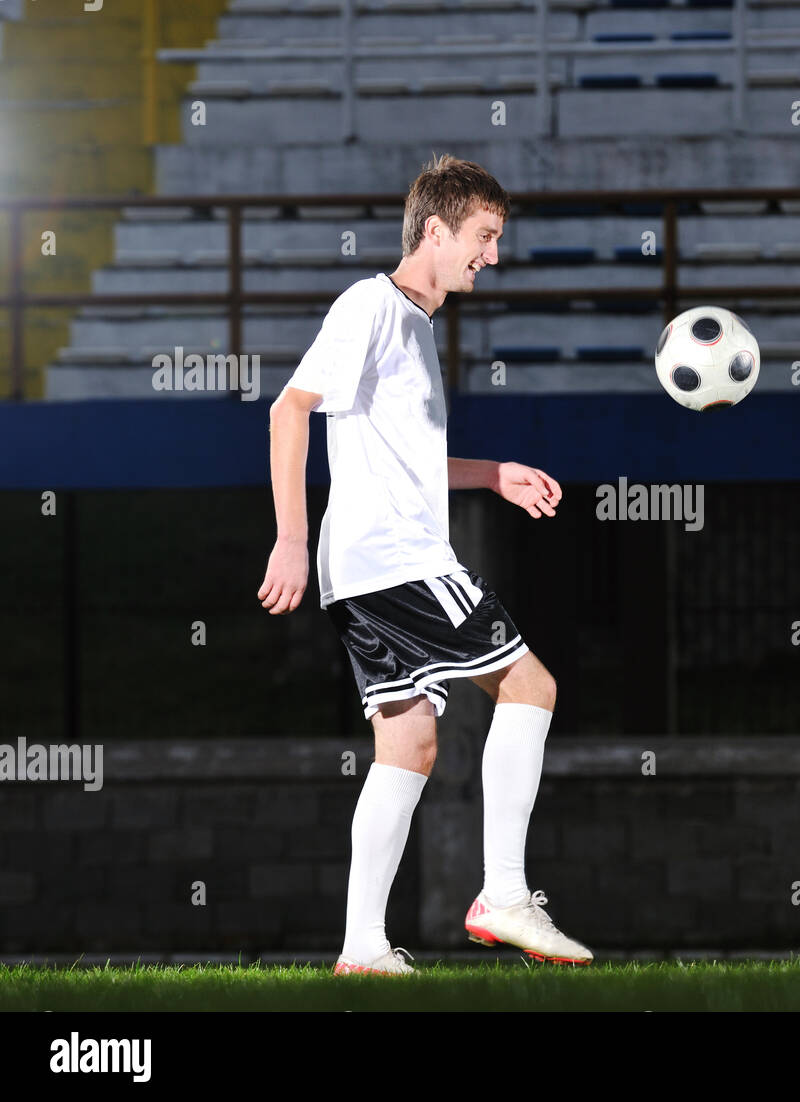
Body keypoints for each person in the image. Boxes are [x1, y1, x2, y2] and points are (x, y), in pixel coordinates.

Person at [257, 153, 592, 972]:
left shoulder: (414, 323)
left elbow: (402, 458)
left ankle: (362, 948)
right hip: (397, 560)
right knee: (530, 685)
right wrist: (290, 538)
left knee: (407, 747)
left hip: (365, 571)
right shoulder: (371, 304)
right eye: (484, 236)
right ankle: (505, 897)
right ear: (434, 230)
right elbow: (287, 409)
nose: (494, 255)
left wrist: (493, 475)